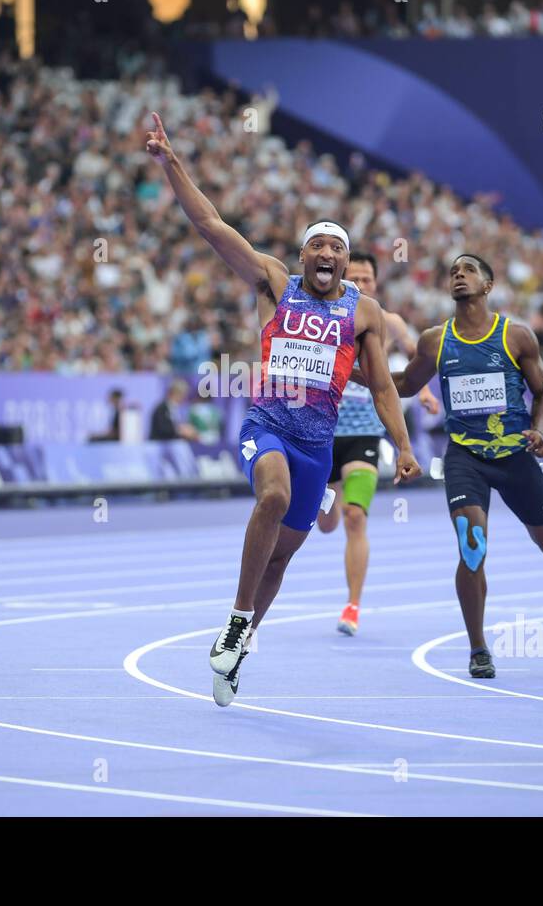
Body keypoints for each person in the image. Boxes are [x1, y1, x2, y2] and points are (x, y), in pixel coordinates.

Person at [145, 111, 421, 707]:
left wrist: (402, 445)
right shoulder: (275, 282)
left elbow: (379, 388)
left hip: (318, 447)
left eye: (335, 247)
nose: (326, 252)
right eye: (316, 244)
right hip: (266, 425)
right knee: (271, 496)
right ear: (302, 257)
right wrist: (173, 165)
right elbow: (210, 223)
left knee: (280, 560)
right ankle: (238, 620)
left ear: (346, 264)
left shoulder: (363, 311)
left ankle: (238, 647)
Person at [389, 254, 543, 679]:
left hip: (515, 454)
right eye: (452, 271)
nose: (458, 275)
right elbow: (404, 385)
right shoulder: (436, 340)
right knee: (473, 547)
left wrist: (540, 429)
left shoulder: (517, 336)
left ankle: (529, 512)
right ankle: (478, 648)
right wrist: (351, 373)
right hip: (465, 456)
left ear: (487, 285)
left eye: (468, 270)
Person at [316, 251, 439, 635]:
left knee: (356, 517)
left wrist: (421, 391)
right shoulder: (321, 317)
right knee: (325, 523)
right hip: (321, 430)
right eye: (354, 278)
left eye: (367, 279)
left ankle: (352, 605)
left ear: (375, 283)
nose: (361, 285)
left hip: (365, 434)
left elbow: (416, 355)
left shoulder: (386, 321)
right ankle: (325, 504)